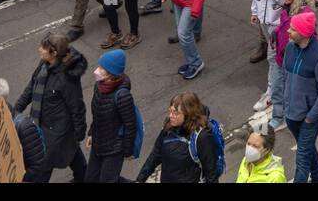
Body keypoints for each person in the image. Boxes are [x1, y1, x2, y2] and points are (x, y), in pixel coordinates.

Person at [13, 33, 88, 182]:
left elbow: (77, 107)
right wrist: (16, 109)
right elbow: (31, 87)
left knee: (43, 167)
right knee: (72, 154)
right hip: (43, 126)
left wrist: (79, 133)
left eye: (43, 48)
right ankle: (84, 177)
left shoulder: (66, 78)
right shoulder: (44, 64)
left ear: (53, 53)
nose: (39, 49)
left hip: (57, 132)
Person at [282, 8, 318, 183]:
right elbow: (285, 76)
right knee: (308, 148)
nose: (288, 31)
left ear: (303, 33)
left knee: (302, 159)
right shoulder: (290, 47)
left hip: (308, 118)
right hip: (291, 113)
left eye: (293, 29)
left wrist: (311, 118)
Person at [136, 92, 220, 183]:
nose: (171, 116)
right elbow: (156, 154)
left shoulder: (202, 137)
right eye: (170, 111)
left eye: (176, 113)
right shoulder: (169, 127)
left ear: (188, 114)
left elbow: (211, 173)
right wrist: (140, 179)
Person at [86, 49, 138, 183]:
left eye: (101, 69)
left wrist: (127, 151)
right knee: (91, 179)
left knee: (107, 180)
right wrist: (91, 133)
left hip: (114, 149)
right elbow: (97, 114)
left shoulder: (123, 96)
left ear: (111, 74)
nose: (96, 71)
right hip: (98, 143)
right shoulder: (99, 86)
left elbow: (130, 125)